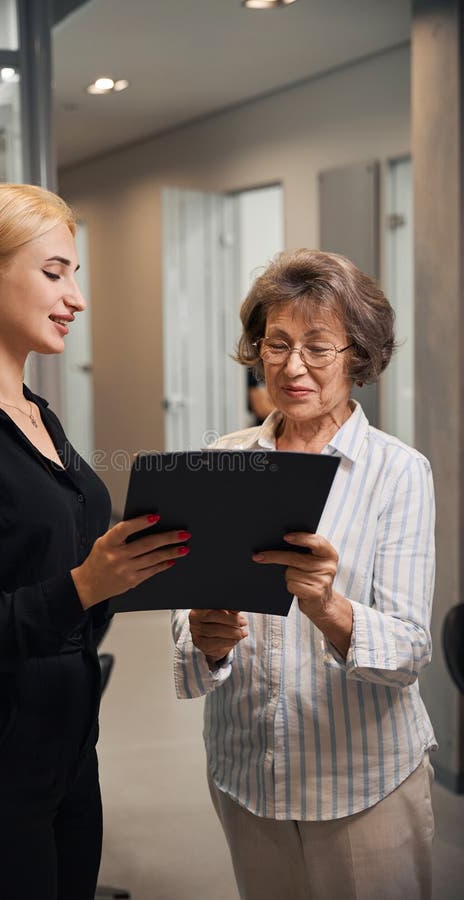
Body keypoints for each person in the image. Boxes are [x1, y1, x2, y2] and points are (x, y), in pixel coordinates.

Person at [0, 183, 190, 900]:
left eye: (75, 275)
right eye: (55, 272)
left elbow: (66, 599)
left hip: (68, 758)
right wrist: (86, 584)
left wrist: (132, 571)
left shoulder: (40, 419)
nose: (76, 297)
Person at [172, 248, 436, 900]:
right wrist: (204, 638)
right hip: (248, 777)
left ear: (358, 356)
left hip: (363, 783)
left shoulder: (399, 473)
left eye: (318, 348)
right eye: (278, 344)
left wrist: (328, 607)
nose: (293, 367)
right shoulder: (221, 461)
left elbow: (407, 650)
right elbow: (190, 625)